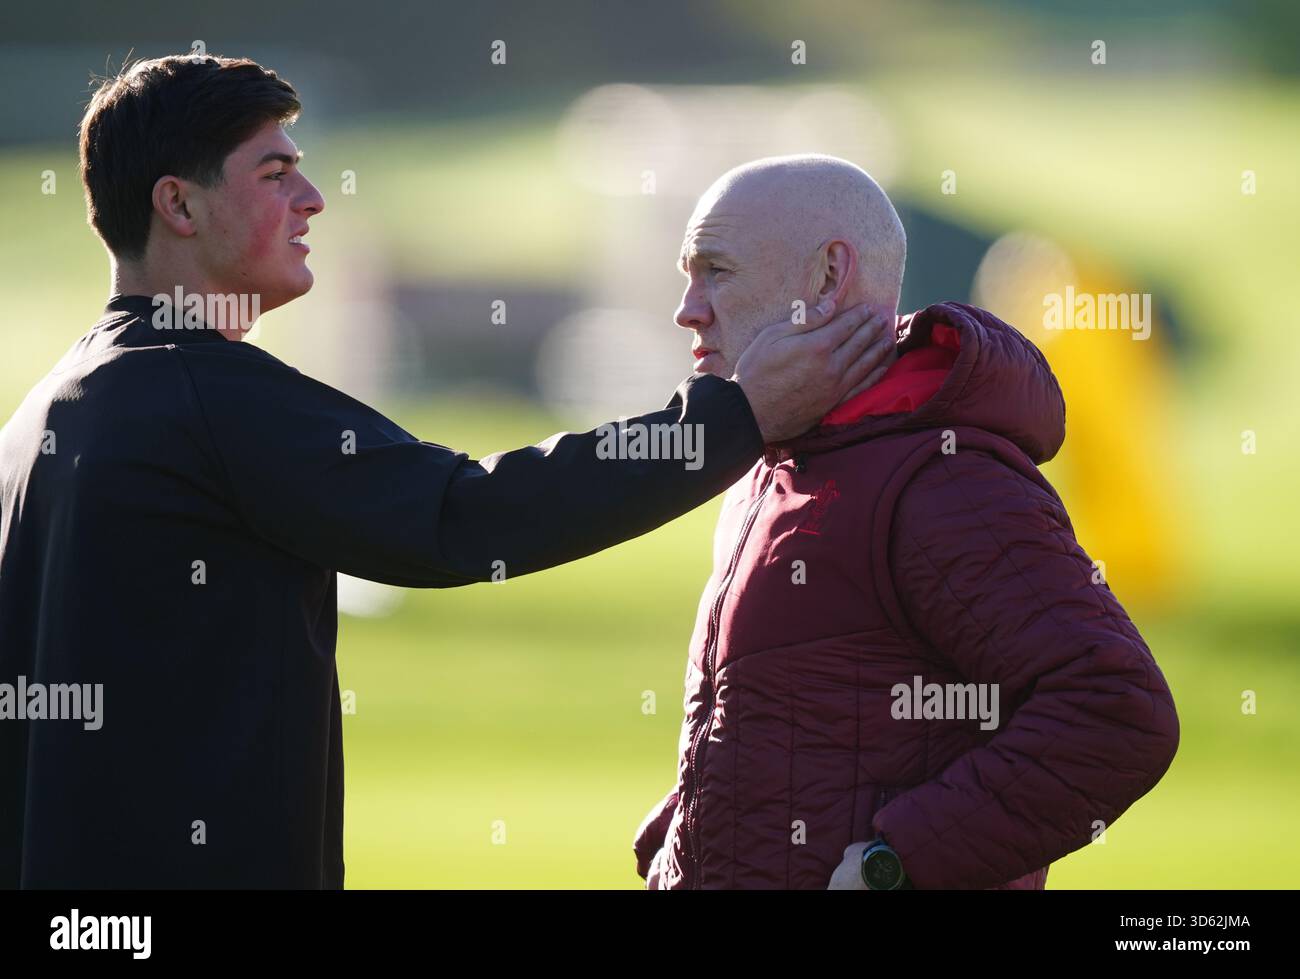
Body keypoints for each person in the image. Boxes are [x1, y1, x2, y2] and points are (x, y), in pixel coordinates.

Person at [0, 58, 895, 888]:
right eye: (274, 175)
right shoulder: (201, 393)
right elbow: (467, 513)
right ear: (178, 206)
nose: (312, 199)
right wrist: (734, 417)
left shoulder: (46, 410)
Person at [635, 155, 1180, 889]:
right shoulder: (775, 462)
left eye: (717, 271)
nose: (688, 308)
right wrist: (679, 838)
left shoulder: (942, 476)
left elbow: (1115, 712)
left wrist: (897, 865)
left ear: (828, 277)